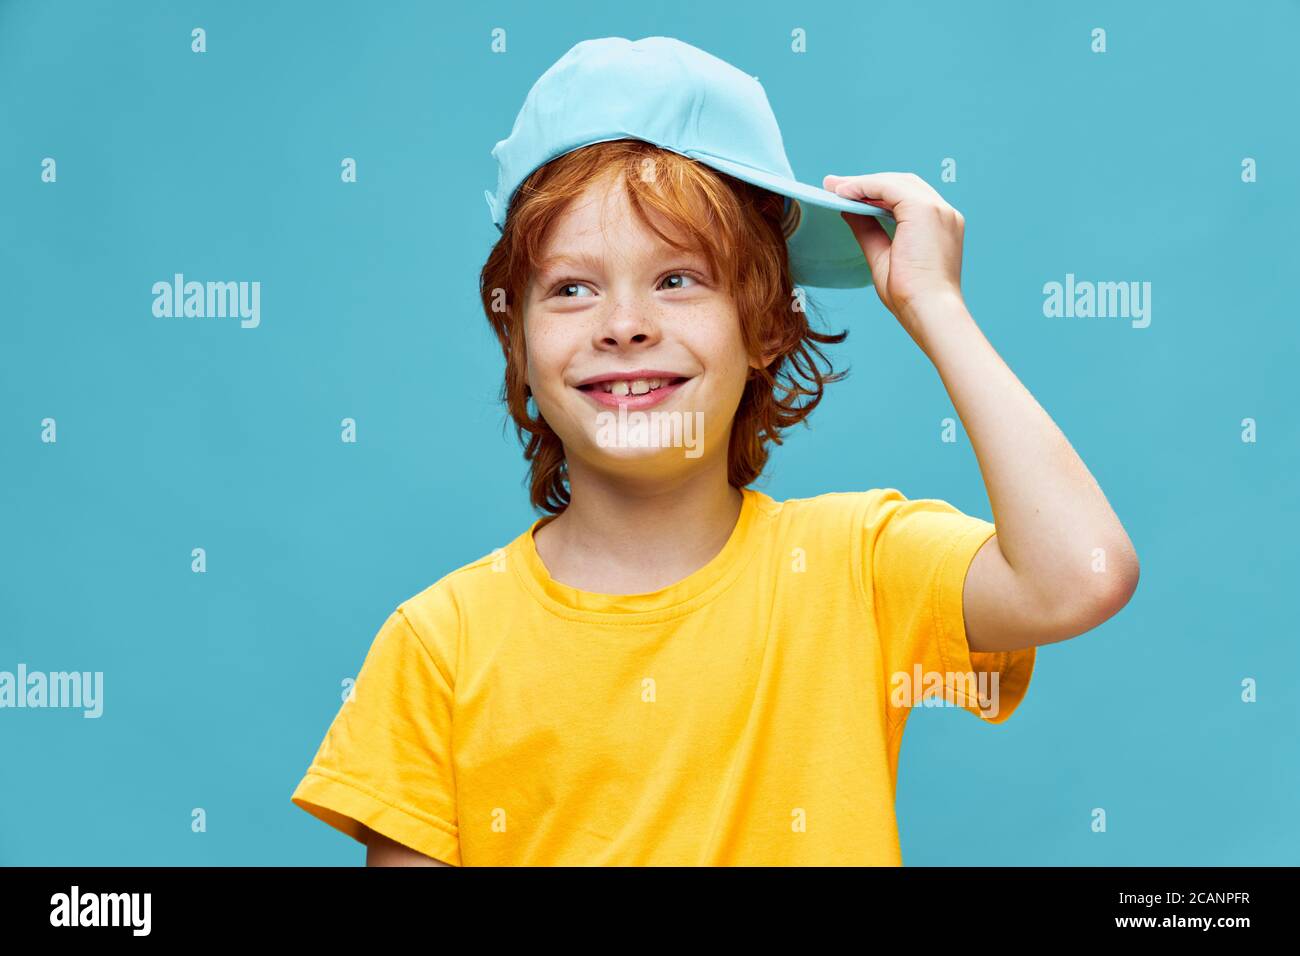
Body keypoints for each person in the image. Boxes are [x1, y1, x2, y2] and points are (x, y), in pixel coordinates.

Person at [290, 36, 1139, 866]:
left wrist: (936, 307)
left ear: (767, 324)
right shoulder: (438, 645)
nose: (625, 325)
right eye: (572, 288)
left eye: (677, 278)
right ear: (517, 342)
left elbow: (1084, 574)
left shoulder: (859, 568)